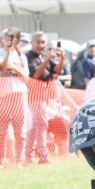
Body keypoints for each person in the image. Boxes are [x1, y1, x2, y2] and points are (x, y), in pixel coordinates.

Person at [25, 31, 65, 164]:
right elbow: (35, 75)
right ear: (31, 43)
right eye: (38, 42)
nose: (40, 45)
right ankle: (42, 155)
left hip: (44, 97)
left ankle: (28, 156)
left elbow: (57, 71)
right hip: (33, 96)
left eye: (43, 42)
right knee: (40, 125)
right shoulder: (29, 57)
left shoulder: (43, 57)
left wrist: (62, 59)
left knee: (35, 126)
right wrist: (48, 59)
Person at [0, 27, 28, 168]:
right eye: (7, 37)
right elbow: (1, 69)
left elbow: (26, 77)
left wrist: (14, 68)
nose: (9, 40)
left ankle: (19, 160)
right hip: (1, 95)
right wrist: (7, 56)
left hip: (19, 94)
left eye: (12, 38)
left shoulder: (21, 56)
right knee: (1, 131)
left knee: (20, 130)